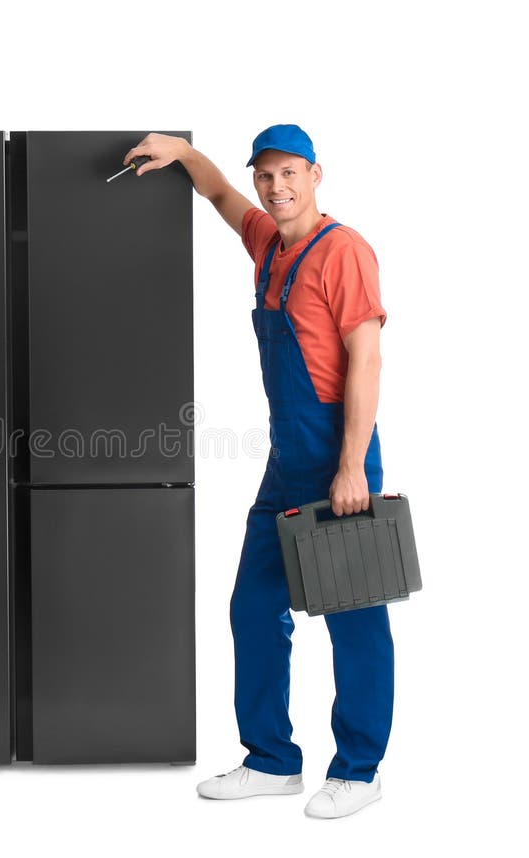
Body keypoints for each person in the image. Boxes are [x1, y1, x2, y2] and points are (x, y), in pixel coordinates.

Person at [123, 125, 394, 819]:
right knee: (253, 606)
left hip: (339, 455)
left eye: (289, 174)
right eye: (266, 175)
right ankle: (272, 759)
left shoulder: (345, 251)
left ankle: (360, 771)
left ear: (316, 174)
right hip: (286, 461)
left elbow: (366, 360)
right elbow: (216, 192)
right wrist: (182, 154)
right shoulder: (268, 242)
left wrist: (351, 468)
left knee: (353, 622)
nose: (276, 187)